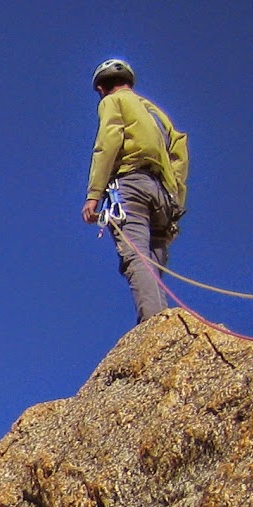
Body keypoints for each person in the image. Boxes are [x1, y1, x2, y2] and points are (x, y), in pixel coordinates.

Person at [81, 59, 189, 323]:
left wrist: (94, 194)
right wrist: (175, 200)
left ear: (100, 88)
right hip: (164, 195)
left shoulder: (111, 102)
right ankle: (164, 320)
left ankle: (155, 326)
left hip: (131, 185)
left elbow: (109, 142)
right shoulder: (156, 113)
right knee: (154, 262)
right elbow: (180, 154)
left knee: (136, 257)